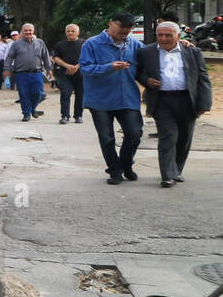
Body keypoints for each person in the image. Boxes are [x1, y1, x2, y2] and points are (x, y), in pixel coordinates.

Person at [137, 22, 212, 188]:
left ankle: (176, 170)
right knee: (168, 136)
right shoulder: (146, 52)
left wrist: (205, 103)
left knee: (184, 138)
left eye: (168, 35)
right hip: (161, 101)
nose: (163, 38)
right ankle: (167, 175)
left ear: (179, 37)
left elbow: (203, 78)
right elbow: (137, 71)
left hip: (187, 100)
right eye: (160, 35)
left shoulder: (193, 52)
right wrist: (146, 80)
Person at [80, 12, 144, 185]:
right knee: (107, 137)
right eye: (121, 28)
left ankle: (125, 164)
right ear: (111, 24)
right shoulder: (92, 44)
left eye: (128, 29)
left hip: (127, 98)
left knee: (135, 133)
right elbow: (85, 68)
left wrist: (182, 44)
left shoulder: (135, 45)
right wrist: (109, 67)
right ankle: (115, 171)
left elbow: (153, 55)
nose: (124, 32)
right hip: (100, 100)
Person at [5, 23, 52, 122]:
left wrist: (49, 69)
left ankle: (32, 108)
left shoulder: (40, 42)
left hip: (37, 73)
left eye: (30, 30)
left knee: (38, 93)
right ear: (22, 32)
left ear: (33, 31)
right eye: (25, 30)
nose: (28, 32)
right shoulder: (16, 44)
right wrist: (6, 70)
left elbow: (46, 56)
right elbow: (9, 57)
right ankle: (26, 113)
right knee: (24, 94)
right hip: (21, 74)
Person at [51, 24, 86, 123]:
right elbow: (56, 58)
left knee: (80, 95)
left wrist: (76, 66)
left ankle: (78, 115)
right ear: (65, 32)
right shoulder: (60, 45)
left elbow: (89, 57)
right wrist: (68, 66)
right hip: (64, 73)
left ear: (78, 32)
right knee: (66, 93)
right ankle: (65, 116)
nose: (70, 33)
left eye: (73, 31)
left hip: (81, 73)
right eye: (68, 31)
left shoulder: (85, 44)